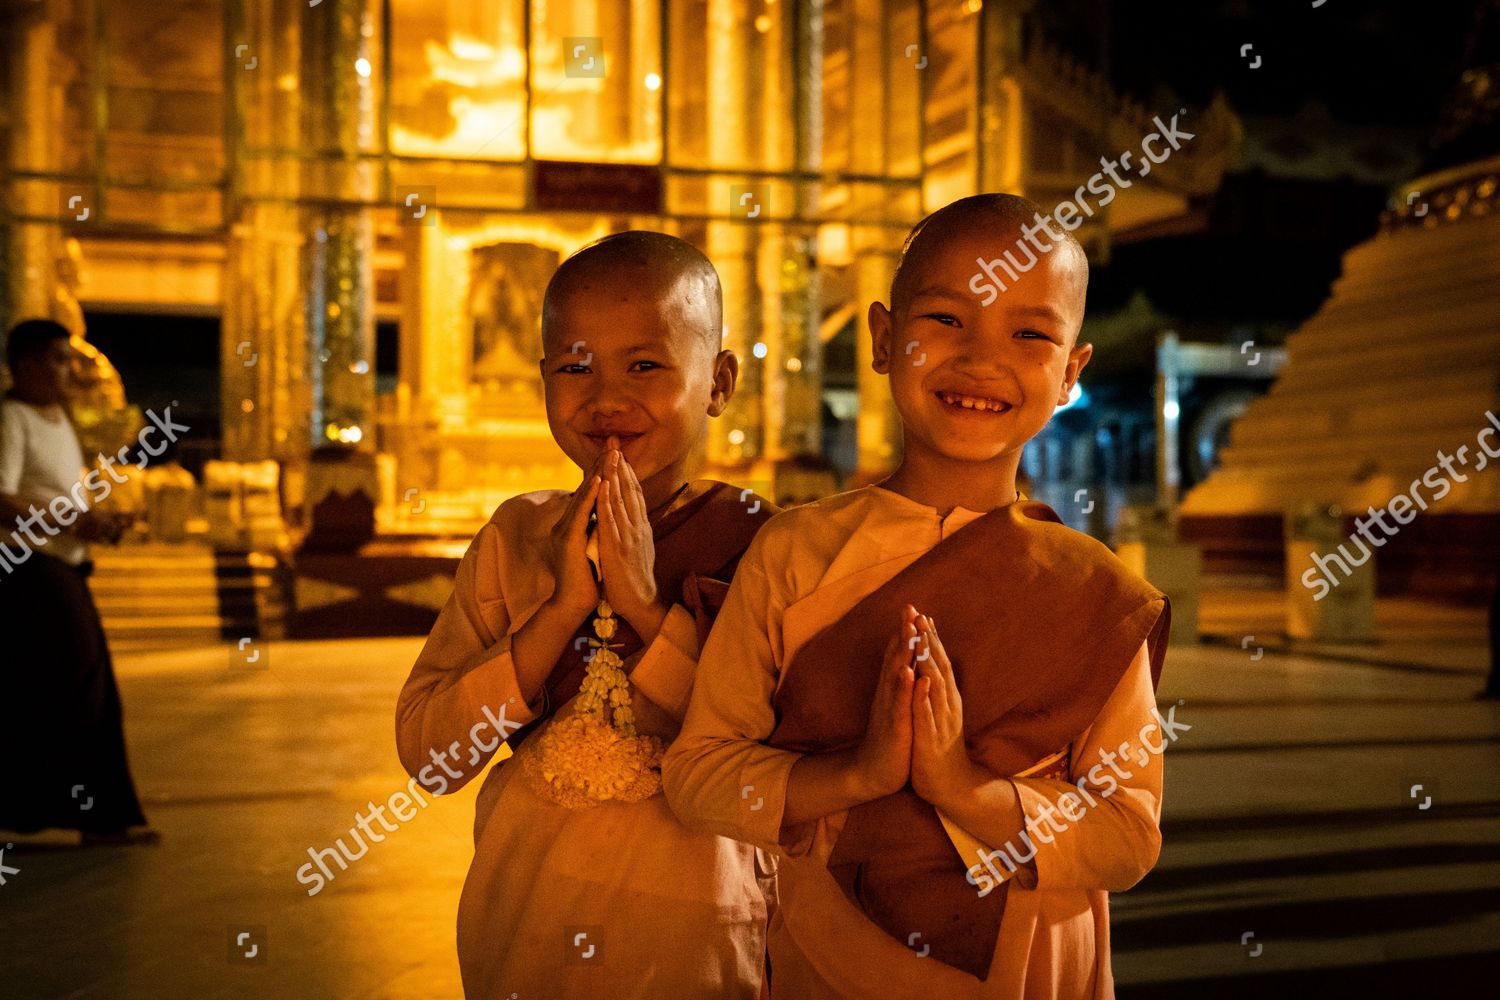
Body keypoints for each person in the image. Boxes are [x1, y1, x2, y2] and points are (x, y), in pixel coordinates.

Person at [663, 194, 1172, 999]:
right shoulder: (795, 552)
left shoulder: (1094, 590)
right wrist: (857, 775)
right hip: (830, 960)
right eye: (945, 319)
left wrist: (963, 791)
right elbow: (698, 776)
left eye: (1030, 334)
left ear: (1071, 373)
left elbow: (1129, 834)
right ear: (881, 338)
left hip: (1034, 962)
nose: (981, 358)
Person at [395, 232, 777, 999]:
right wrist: (560, 608)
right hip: (526, 906)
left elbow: (773, 759)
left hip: (699, 923)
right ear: (543, 379)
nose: (605, 398)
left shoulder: (763, 542)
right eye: (575, 367)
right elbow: (432, 757)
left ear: (719, 381)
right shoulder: (516, 537)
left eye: (645, 366)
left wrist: (645, 608)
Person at [0, 318, 152, 845]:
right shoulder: (12, 418)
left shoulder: (58, 417)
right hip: (30, 567)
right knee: (80, 687)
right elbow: (2, 500)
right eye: (59, 359)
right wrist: (72, 522)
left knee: (69, 688)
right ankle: (96, 816)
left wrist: (97, 521)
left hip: (63, 565)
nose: (70, 371)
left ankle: (91, 813)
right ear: (26, 365)